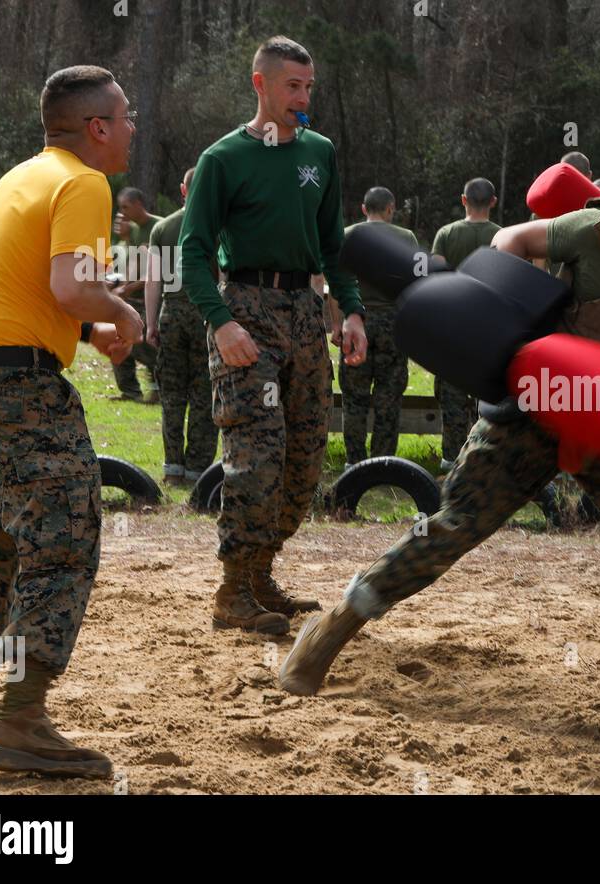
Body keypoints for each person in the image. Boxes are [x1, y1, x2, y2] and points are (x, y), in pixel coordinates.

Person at [280, 151, 600, 722]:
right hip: (535, 405)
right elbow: (511, 239)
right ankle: (338, 624)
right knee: (457, 524)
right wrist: (508, 321)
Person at [0, 65, 144, 777]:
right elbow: (71, 286)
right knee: (61, 540)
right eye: (126, 115)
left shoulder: (23, 176)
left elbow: (22, 293)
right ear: (97, 128)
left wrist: (85, 333)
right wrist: (120, 312)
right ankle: (21, 719)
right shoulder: (85, 182)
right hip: (15, 389)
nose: (133, 127)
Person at [179, 35, 367, 634]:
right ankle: (233, 591)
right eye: (293, 85)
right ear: (260, 84)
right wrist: (222, 322)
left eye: (309, 86)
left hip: (306, 312)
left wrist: (352, 310)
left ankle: (262, 575)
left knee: (305, 458)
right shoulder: (223, 159)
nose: (303, 97)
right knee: (255, 455)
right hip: (247, 311)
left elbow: (334, 246)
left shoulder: (320, 152)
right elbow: (193, 254)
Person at [145, 167, 217, 486]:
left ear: (183, 189)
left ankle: (172, 467)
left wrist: (151, 322)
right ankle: (198, 469)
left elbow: (153, 279)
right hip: (206, 312)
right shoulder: (217, 226)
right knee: (205, 392)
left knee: (172, 395)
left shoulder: (162, 227)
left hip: (171, 311)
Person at [338, 186, 416, 466]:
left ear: (363, 208)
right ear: (390, 208)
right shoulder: (405, 238)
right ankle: (383, 460)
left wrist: (338, 325)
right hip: (392, 323)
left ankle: (354, 461)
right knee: (389, 397)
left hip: (356, 319)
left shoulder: (347, 235)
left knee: (354, 397)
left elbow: (338, 283)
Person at [430, 177, 502, 469]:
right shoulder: (503, 235)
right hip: (489, 328)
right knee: (487, 399)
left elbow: (434, 277)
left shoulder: (445, 234)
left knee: (451, 397)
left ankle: (451, 458)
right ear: (493, 202)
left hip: (453, 324)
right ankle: (484, 456)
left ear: (463, 200)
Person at [111, 186, 162, 402]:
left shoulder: (158, 226)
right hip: (129, 298)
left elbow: (161, 269)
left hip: (151, 298)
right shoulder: (131, 230)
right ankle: (130, 390)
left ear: (139, 204)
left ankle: (158, 388)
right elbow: (131, 262)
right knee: (117, 342)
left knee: (146, 347)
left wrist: (130, 287)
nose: (123, 213)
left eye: (126, 207)